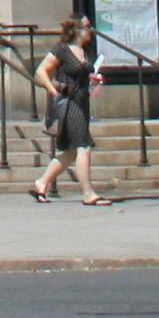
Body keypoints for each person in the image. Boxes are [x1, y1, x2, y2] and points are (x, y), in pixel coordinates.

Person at [29, 14, 110, 205]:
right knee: (84, 146)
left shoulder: (85, 52)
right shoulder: (62, 51)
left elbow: (82, 75)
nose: (90, 30)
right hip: (68, 102)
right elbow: (41, 71)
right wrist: (52, 90)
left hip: (82, 101)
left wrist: (94, 80)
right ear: (77, 30)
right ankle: (88, 194)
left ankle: (42, 183)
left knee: (69, 152)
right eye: (87, 27)